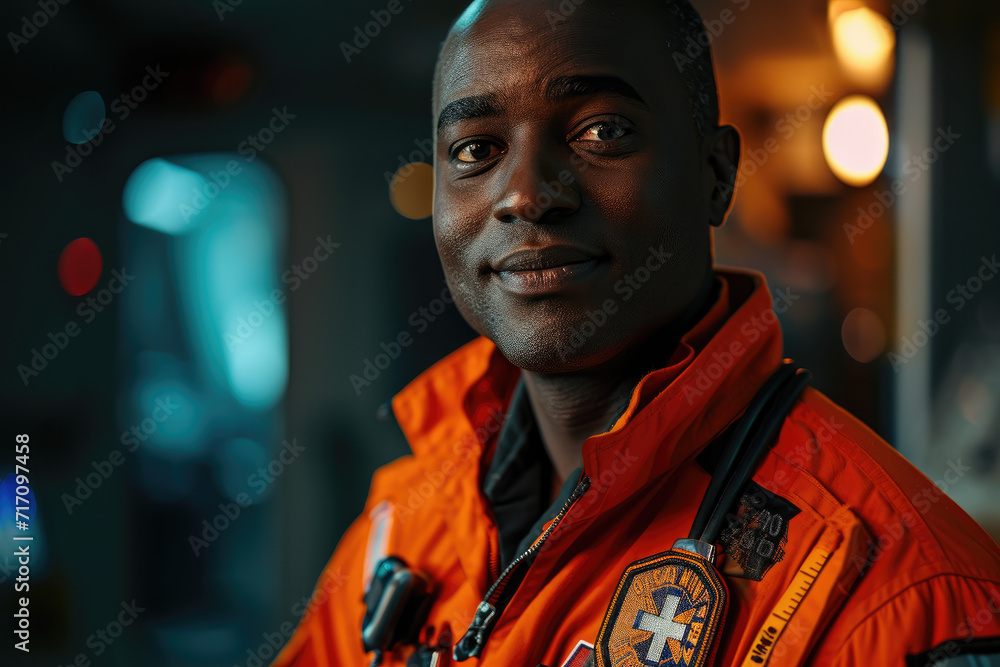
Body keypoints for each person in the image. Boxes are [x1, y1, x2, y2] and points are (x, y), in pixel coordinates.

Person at [272, 0, 1000, 665]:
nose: (525, 194)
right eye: (475, 149)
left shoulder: (904, 593)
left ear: (717, 175)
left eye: (602, 132)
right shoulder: (404, 524)